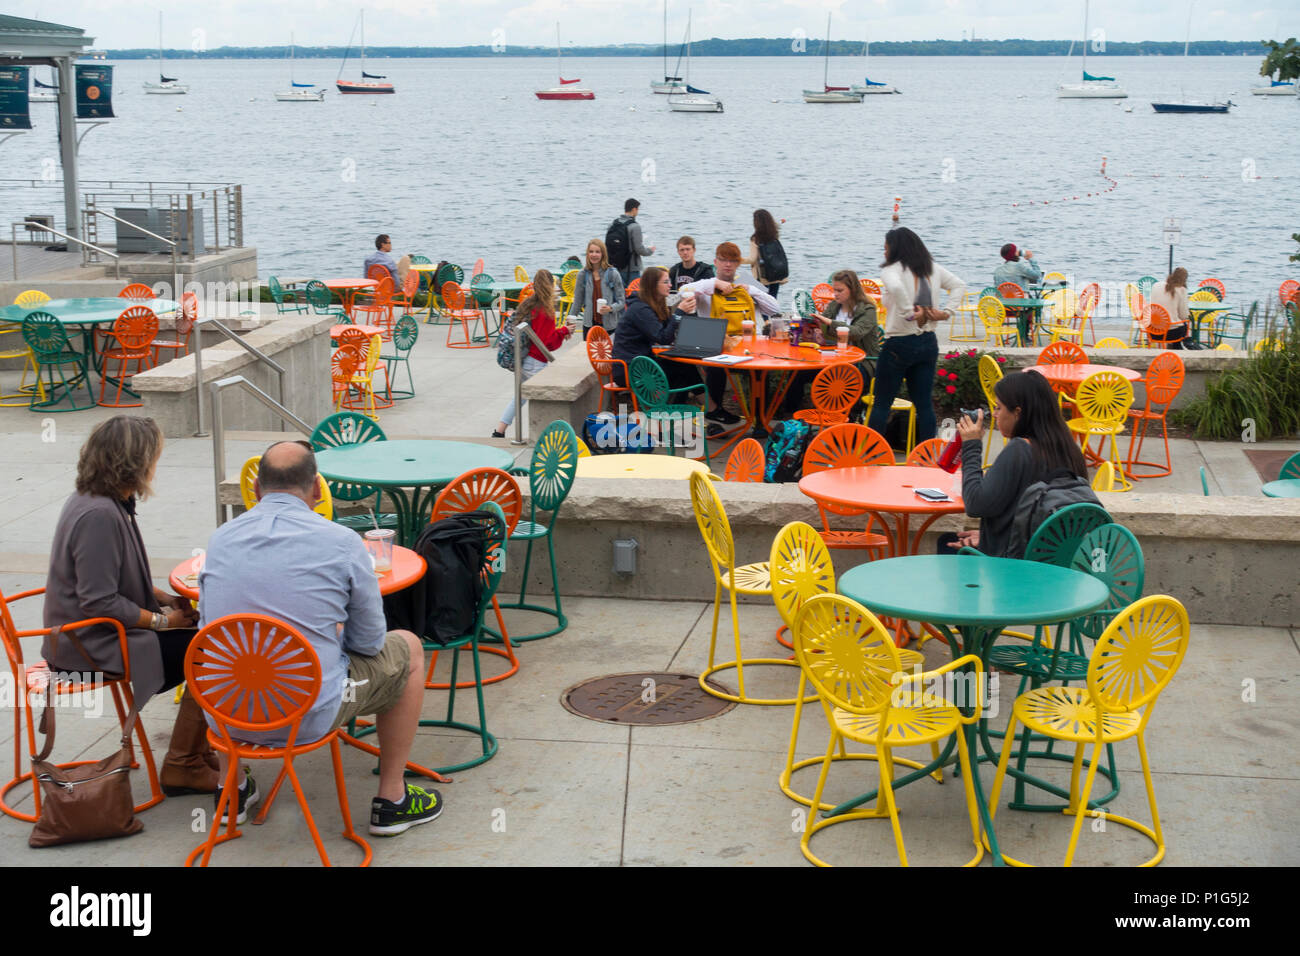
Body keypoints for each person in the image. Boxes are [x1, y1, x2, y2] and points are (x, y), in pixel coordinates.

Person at [199, 441, 442, 836]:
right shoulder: (343, 543)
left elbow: (210, 635)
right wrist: (329, 637)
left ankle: (233, 791)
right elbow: (369, 643)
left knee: (225, 658)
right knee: (409, 647)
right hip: (306, 714)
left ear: (256, 489)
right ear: (316, 489)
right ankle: (393, 800)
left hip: (224, 713)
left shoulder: (220, 539)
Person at [42, 416, 215, 798]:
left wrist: (164, 600)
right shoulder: (99, 515)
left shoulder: (104, 501)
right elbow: (99, 600)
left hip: (95, 633)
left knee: (209, 639)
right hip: (86, 645)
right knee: (213, 651)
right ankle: (183, 764)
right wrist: (163, 622)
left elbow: (112, 579)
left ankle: (197, 753)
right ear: (136, 462)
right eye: (154, 457)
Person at [945, 370, 1089, 558]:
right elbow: (1035, 514)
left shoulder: (1020, 450)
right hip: (1053, 560)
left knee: (946, 544)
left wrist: (971, 446)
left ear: (1017, 413)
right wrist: (989, 536)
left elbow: (975, 504)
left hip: (1014, 565)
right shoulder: (1070, 449)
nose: (994, 415)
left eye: (998, 408)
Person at [869, 227, 965, 445]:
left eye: (886, 248)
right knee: (924, 404)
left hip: (899, 342)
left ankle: (874, 453)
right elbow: (959, 285)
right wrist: (946, 312)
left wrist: (908, 312)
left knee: (882, 404)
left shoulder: (892, 269)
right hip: (927, 341)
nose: (884, 252)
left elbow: (895, 286)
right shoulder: (932, 268)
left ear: (895, 248)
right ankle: (927, 454)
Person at [680, 241, 781, 426]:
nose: (728, 264)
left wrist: (752, 290)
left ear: (738, 264)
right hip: (717, 347)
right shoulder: (706, 287)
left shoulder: (746, 287)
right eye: (723, 260)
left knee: (760, 371)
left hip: (748, 347)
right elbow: (683, 291)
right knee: (716, 367)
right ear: (715, 262)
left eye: (733, 261)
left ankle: (760, 419)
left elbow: (774, 308)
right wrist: (715, 283)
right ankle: (715, 412)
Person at [494, 269, 572, 437]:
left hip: (524, 357)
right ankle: (551, 434)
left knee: (520, 397)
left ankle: (499, 431)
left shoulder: (528, 304)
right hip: (536, 361)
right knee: (549, 396)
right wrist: (564, 331)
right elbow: (546, 343)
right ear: (551, 286)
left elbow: (537, 335)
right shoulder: (546, 311)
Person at [612, 265, 703, 393]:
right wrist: (679, 312)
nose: (670, 285)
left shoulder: (653, 305)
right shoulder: (640, 309)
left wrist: (684, 314)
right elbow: (663, 338)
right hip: (629, 369)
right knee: (684, 369)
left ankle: (685, 404)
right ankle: (705, 404)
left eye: (669, 281)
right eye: (665, 282)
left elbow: (668, 332)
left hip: (641, 362)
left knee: (684, 367)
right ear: (653, 286)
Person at [572, 238, 627, 340]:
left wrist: (610, 308)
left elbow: (621, 301)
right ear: (587, 254)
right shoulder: (582, 275)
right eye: (591, 251)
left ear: (603, 254)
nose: (594, 255)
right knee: (588, 350)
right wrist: (571, 320)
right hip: (589, 325)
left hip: (610, 326)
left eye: (597, 252)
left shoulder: (613, 274)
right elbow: (577, 301)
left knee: (609, 350)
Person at [743, 209, 789, 301]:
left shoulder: (756, 239)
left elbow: (752, 259)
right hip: (775, 272)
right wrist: (780, 222)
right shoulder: (774, 235)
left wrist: (736, 259)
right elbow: (777, 225)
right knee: (773, 299)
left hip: (763, 276)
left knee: (761, 301)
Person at [607, 198, 655, 285]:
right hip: (632, 269)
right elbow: (639, 249)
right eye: (637, 209)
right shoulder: (635, 226)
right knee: (633, 292)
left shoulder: (613, 225)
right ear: (634, 209)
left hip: (614, 267)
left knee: (619, 292)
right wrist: (650, 251)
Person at [1146, 267, 1194, 349]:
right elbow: (1183, 316)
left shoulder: (1156, 285)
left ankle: (1175, 347)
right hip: (1170, 334)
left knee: (1176, 324)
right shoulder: (1181, 290)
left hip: (1152, 332)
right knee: (1184, 325)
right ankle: (1176, 347)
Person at [667, 236, 714, 304]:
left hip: (699, 305)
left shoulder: (705, 271)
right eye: (682, 250)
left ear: (694, 250)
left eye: (688, 249)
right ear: (678, 252)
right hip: (679, 305)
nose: (685, 253)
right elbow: (671, 293)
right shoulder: (674, 271)